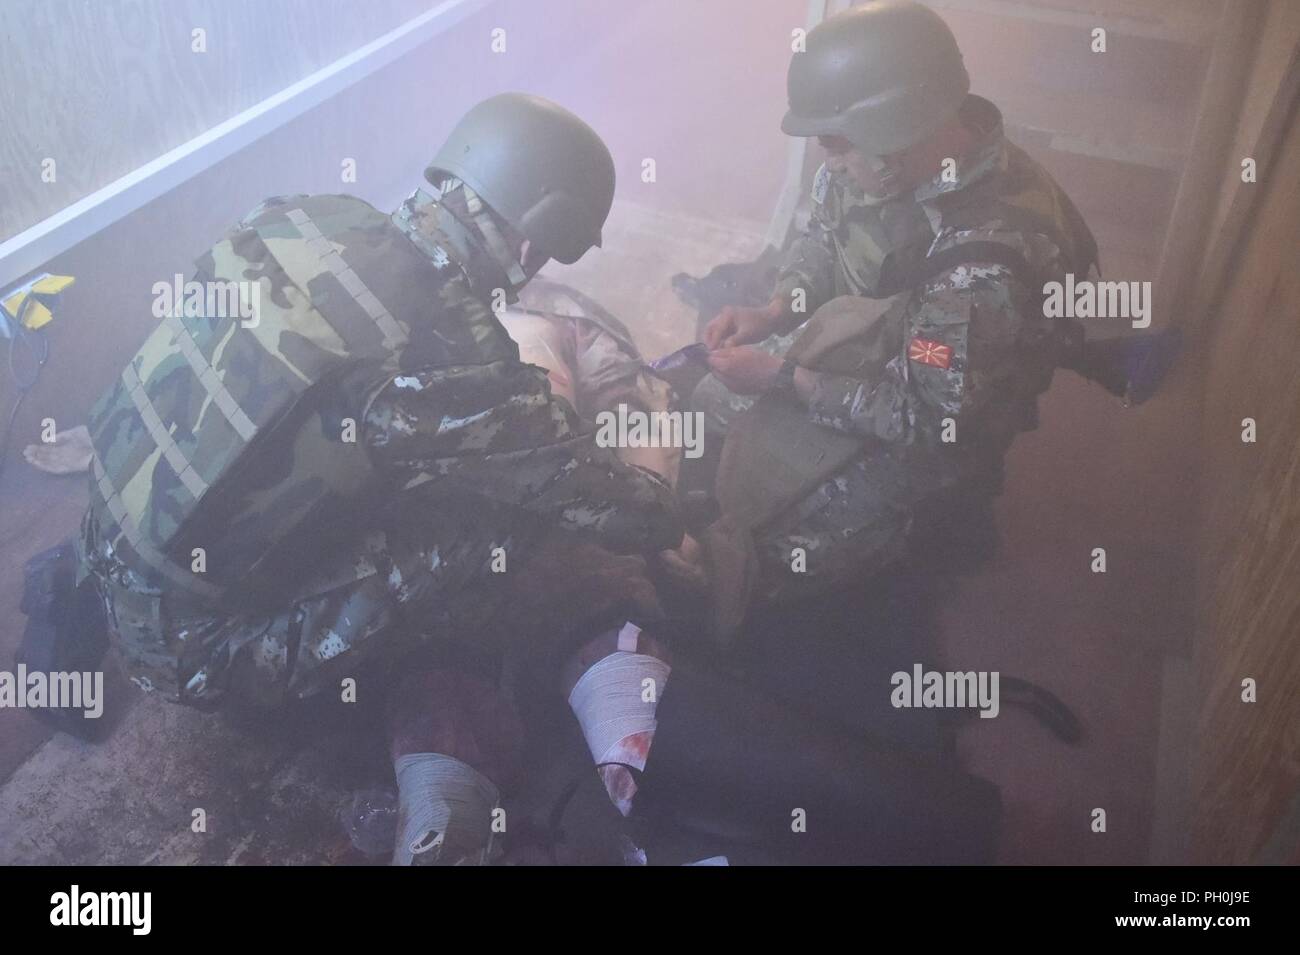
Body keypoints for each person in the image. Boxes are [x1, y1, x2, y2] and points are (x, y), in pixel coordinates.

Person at [34, 92, 684, 863]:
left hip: (106, 519)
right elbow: (612, 506)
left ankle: (73, 585)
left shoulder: (307, 217)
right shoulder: (456, 356)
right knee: (499, 524)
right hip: (187, 645)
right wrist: (669, 491)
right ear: (535, 237)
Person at [699, 0, 1102, 606]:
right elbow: (825, 236)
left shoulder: (983, 265)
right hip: (886, 336)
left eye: (836, 144)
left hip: (943, 409)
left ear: (894, 128)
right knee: (710, 403)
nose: (826, 159)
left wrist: (783, 377)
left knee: (787, 547)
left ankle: (947, 516)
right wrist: (778, 309)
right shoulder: (879, 155)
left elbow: (926, 417)